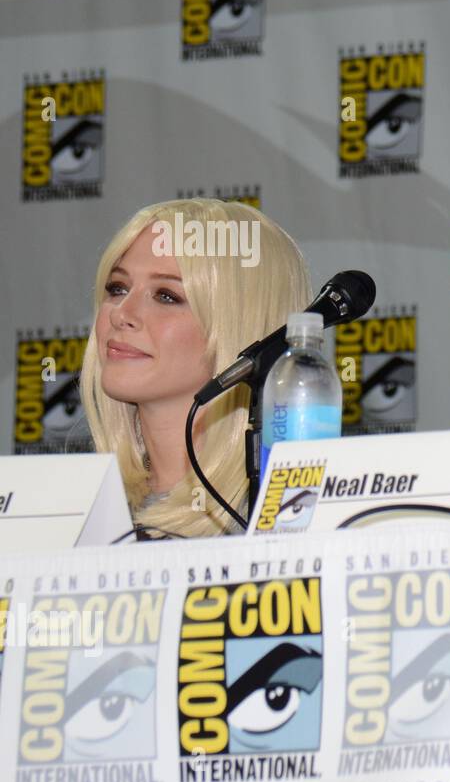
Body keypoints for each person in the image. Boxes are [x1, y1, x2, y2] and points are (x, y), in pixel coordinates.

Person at [80, 198, 311, 537]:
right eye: (118, 288)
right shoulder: (68, 514)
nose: (120, 313)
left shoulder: (295, 519)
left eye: (166, 296)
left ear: (242, 325)